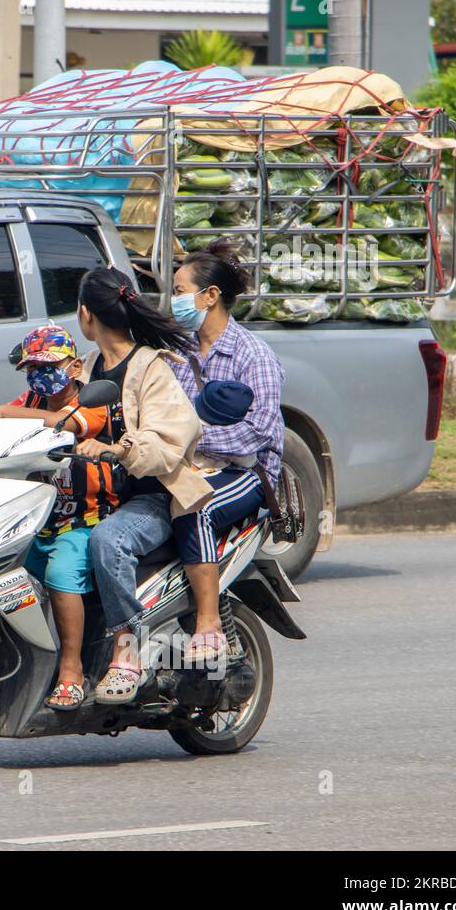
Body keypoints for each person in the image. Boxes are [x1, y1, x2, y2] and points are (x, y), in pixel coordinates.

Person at [71, 266, 215, 704]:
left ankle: (126, 648)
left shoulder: (151, 368)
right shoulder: (89, 366)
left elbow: (172, 437)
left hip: (150, 500)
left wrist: (118, 449)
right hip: (90, 495)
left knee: (108, 542)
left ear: (85, 314)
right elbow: (62, 419)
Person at [0, 325, 115, 710]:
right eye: (31, 366)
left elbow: (64, 423)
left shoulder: (92, 399)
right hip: (35, 520)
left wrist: (2, 411)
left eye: (47, 365)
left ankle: (72, 671)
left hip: (85, 520)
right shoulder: (33, 396)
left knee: (60, 576)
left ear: (74, 366)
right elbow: (9, 423)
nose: (39, 373)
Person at [166, 240, 287, 667]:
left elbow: (256, 434)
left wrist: (189, 440)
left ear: (210, 296)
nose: (174, 300)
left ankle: (208, 622)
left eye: (180, 291)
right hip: (181, 466)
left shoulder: (255, 357)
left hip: (246, 476)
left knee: (193, 505)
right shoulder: (175, 351)